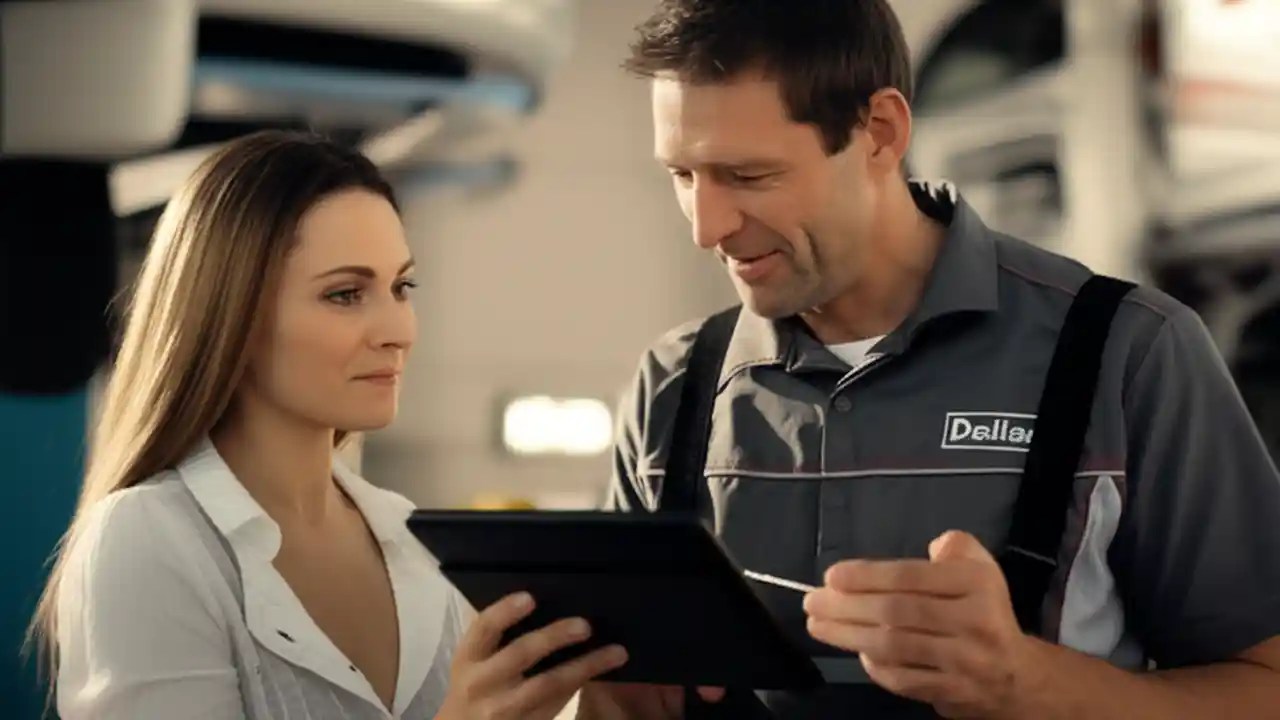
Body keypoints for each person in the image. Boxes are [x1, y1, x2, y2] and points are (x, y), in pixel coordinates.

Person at [578, 1, 1280, 718]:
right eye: (684, 176)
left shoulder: (1130, 355)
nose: (707, 228)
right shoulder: (673, 384)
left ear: (880, 132)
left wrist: (1030, 684)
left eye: (749, 176)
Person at [30, 130, 627, 720]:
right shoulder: (149, 538)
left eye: (401, 287)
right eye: (345, 294)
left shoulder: (414, 544)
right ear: (231, 313)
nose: (398, 329)